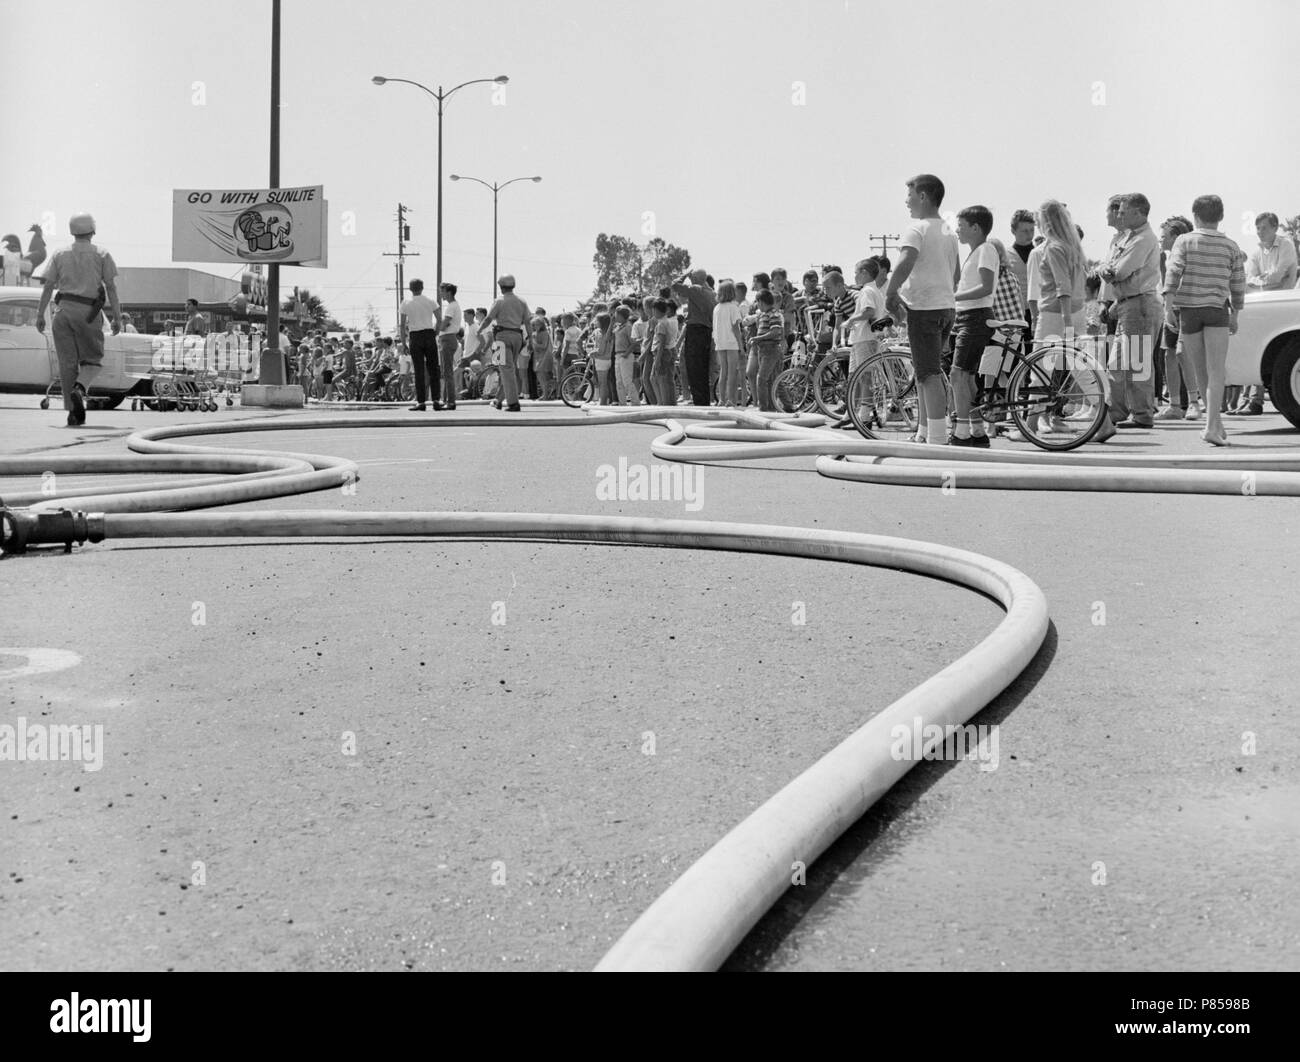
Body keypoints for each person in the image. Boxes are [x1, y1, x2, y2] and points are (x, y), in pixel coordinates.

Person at [1164, 195, 1246, 447]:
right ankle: (1213, 425)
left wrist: (1168, 306)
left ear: (1195, 216)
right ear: (1221, 216)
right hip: (1216, 309)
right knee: (1216, 370)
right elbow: (1238, 284)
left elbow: (1173, 271)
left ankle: (1213, 424)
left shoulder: (1184, 241)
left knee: (1200, 371)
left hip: (1189, 311)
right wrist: (1236, 314)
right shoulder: (1231, 246)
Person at [884, 174, 959, 445]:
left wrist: (891, 293)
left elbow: (905, 261)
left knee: (929, 374)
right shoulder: (949, 232)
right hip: (946, 307)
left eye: (910, 195)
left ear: (923, 196)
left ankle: (937, 438)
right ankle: (924, 431)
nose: (907, 201)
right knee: (925, 371)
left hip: (925, 309)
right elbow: (956, 274)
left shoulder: (917, 229)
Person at [35, 213, 122, 426]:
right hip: (88, 313)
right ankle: (80, 388)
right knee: (92, 361)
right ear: (93, 230)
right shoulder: (102, 254)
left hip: (62, 312)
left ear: (71, 231)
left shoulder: (59, 253)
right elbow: (111, 287)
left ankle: (73, 412)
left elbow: (48, 286)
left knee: (67, 364)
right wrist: (117, 317)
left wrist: (39, 314)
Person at [1034, 199, 1110, 441]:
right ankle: (1105, 421)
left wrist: (1065, 319)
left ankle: (1030, 426)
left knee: (1039, 368)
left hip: (1056, 314)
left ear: (1046, 221)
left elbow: (1061, 285)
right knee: (1078, 367)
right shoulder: (1073, 247)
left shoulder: (1053, 247)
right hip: (1075, 312)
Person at [1100, 193, 1162, 429]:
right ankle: (1117, 412)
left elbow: (1119, 271)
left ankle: (1142, 415)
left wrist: (1106, 270)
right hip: (1129, 303)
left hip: (1139, 304)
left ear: (1137, 212)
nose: (1119, 214)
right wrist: (1108, 270)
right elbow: (1112, 269)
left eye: (1124, 211)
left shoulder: (1143, 239)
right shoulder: (1131, 237)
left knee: (1137, 363)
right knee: (1117, 364)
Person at [1236, 212, 1298, 414]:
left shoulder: (1286, 245)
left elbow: (1279, 275)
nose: (1259, 232)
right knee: (1257, 347)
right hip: (1264, 303)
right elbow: (1250, 278)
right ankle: (1251, 400)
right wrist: (1267, 281)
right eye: (1257, 228)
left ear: (1274, 228)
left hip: (1282, 305)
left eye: (1264, 227)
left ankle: (1256, 401)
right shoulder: (1257, 251)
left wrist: (1261, 282)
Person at [950, 206, 999, 446]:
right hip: (968, 317)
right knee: (967, 377)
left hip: (975, 316)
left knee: (957, 374)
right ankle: (977, 431)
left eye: (961, 226)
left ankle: (961, 432)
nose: (957, 231)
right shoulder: (976, 252)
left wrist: (954, 297)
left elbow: (986, 287)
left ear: (976, 228)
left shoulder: (985, 250)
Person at [1154, 215, 1199, 421]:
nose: (1160, 239)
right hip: (1170, 309)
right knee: (1168, 355)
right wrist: (1167, 308)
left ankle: (1194, 403)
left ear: (1175, 237)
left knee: (1182, 353)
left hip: (1186, 309)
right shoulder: (1167, 257)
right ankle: (1174, 405)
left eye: (1164, 236)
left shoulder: (1188, 255)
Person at [478, 274, 531, 411]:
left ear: (501, 287)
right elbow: (527, 321)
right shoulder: (522, 301)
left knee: (506, 370)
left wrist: (480, 330)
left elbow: (488, 319)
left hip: (502, 337)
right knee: (508, 370)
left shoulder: (499, 301)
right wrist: (530, 338)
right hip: (517, 337)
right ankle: (499, 399)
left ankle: (513, 403)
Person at [670, 268, 716, 405]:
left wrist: (684, 275)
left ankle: (699, 400)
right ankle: (704, 400)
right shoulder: (712, 293)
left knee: (693, 368)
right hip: (707, 331)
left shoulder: (696, 289)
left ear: (695, 279)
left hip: (695, 331)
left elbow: (675, 285)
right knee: (703, 368)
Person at [400, 278, 443, 411]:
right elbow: (439, 319)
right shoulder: (430, 300)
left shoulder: (406, 302)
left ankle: (421, 402)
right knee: (433, 368)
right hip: (429, 333)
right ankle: (436, 400)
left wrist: (404, 342)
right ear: (422, 287)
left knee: (418, 370)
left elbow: (402, 324)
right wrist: (435, 332)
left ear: (410, 288)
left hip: (415, 335)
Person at [750, 289, 785, 412]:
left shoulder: (774, 314)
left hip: (771, 350)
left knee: (762, 379)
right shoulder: (764, 315)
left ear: (761, 302)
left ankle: (763, 407)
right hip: (763, 350)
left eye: (757, 302)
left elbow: (775, 332)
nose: (757, 305)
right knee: (771, 380)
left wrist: (758, 338)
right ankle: (772, 407)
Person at [712, 279, 746, 407]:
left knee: (723, 371)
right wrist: (741, 347)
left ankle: (721, 399)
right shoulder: (733, 307)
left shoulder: (717, 308)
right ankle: (731, 399)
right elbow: (736, 328)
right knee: (732, 372)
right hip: (731, 342)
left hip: (720, 342)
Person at [1007, 209, 1036, 345]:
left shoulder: (1040, 253)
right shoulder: (1005, 255)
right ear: (1013, 231)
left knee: (1037, 352)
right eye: (1024, 231)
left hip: (1037, 311)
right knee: (1013, 352)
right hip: (1014, 312)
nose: (1029, 235)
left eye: (1032, 230)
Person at [437, 282, 462, 410]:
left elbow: (442, 326)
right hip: (447, 339)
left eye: (442, 291)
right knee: (446, 372)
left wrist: (440, 325)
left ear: (449, 292)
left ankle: (451, 402)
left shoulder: (451, 306)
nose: (441, 294)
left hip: (448, 338)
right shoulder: (453, 306)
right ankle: (446, 399)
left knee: (447, 372)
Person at [651, 298, 679, 406]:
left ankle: (663, 403)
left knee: (660, 379)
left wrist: (658, 360)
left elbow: (662, 342)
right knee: (666, 379)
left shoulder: (661, 324)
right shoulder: (667, 321)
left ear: (657, 310)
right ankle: (669, 402)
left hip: (662, 353)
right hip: (666, 351)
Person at [532, 316, 556, 399]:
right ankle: (545, 394)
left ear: (542, 325)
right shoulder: (535, 333)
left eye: (537, 324)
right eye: (534, 324)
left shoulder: (544, 333)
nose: (535, 326)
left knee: (542, 375)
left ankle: (546, 395)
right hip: (539, 357)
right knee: (540, 375)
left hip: (545, 356)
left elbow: (544, 346)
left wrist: (534, 343)